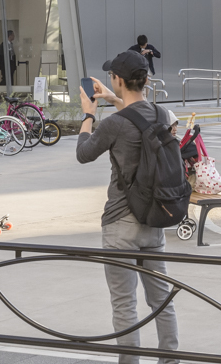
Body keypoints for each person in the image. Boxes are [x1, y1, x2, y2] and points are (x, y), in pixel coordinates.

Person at [76, 51, 179, 364]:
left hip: (120, 223)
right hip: (155, 218)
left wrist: (88, 115)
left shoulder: (113, 124)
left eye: (112, 77)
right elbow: (140, 116)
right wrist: (114, 97)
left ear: (118, 80)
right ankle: (170, 360)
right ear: (146, 80)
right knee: (161, 299)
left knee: (124, 305)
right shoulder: (164, 115)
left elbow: (83, 153)